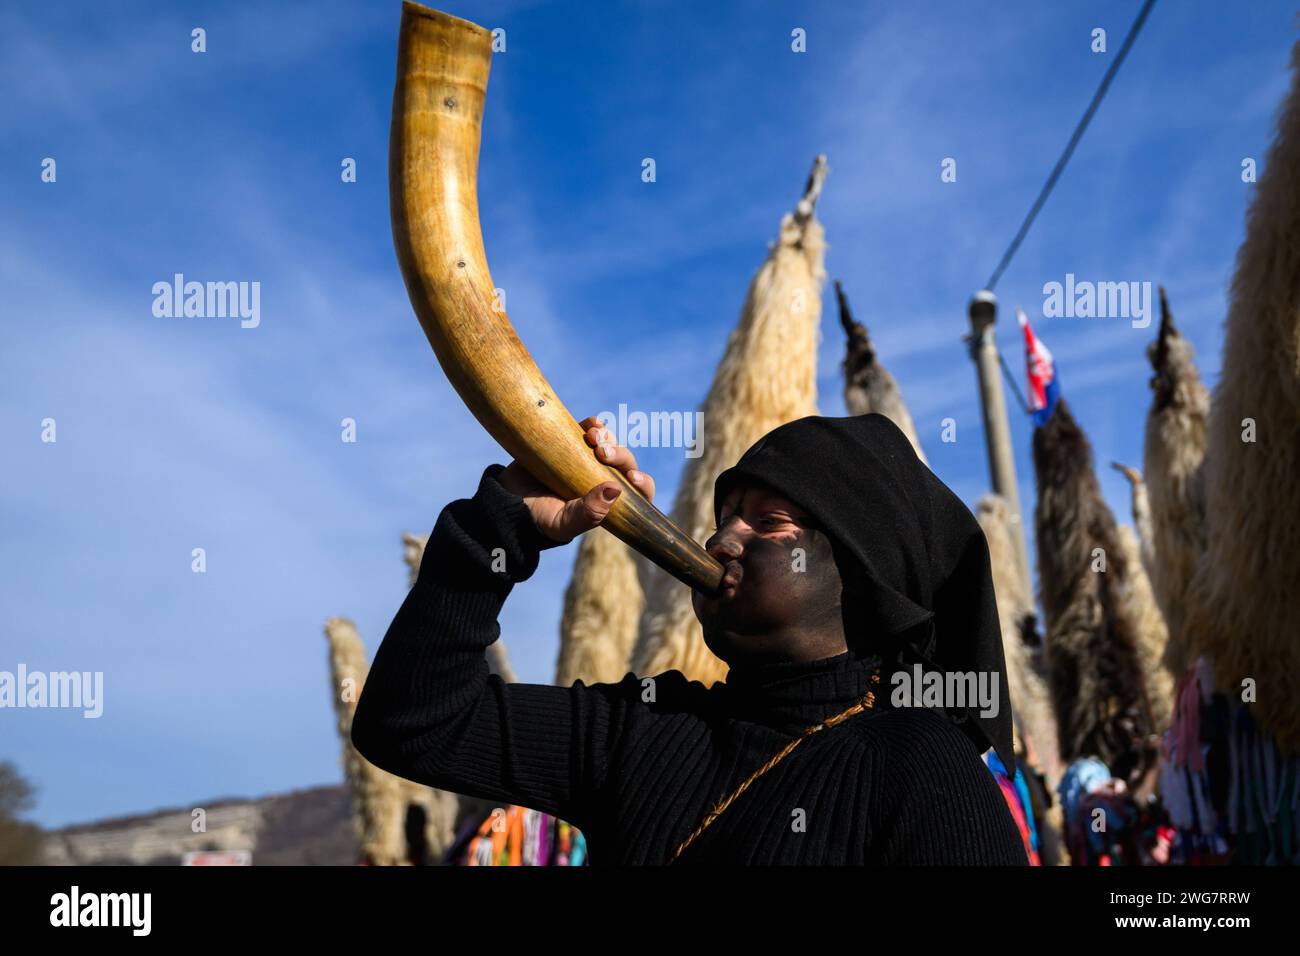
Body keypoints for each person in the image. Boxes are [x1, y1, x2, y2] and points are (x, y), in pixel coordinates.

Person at [352, 413, 1028, 865]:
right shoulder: (641, 728)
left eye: (768, 524)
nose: (720, 538)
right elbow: (410, 724)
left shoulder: (924, 769)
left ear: (859, 573)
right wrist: (505, 524)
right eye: (725, 516)